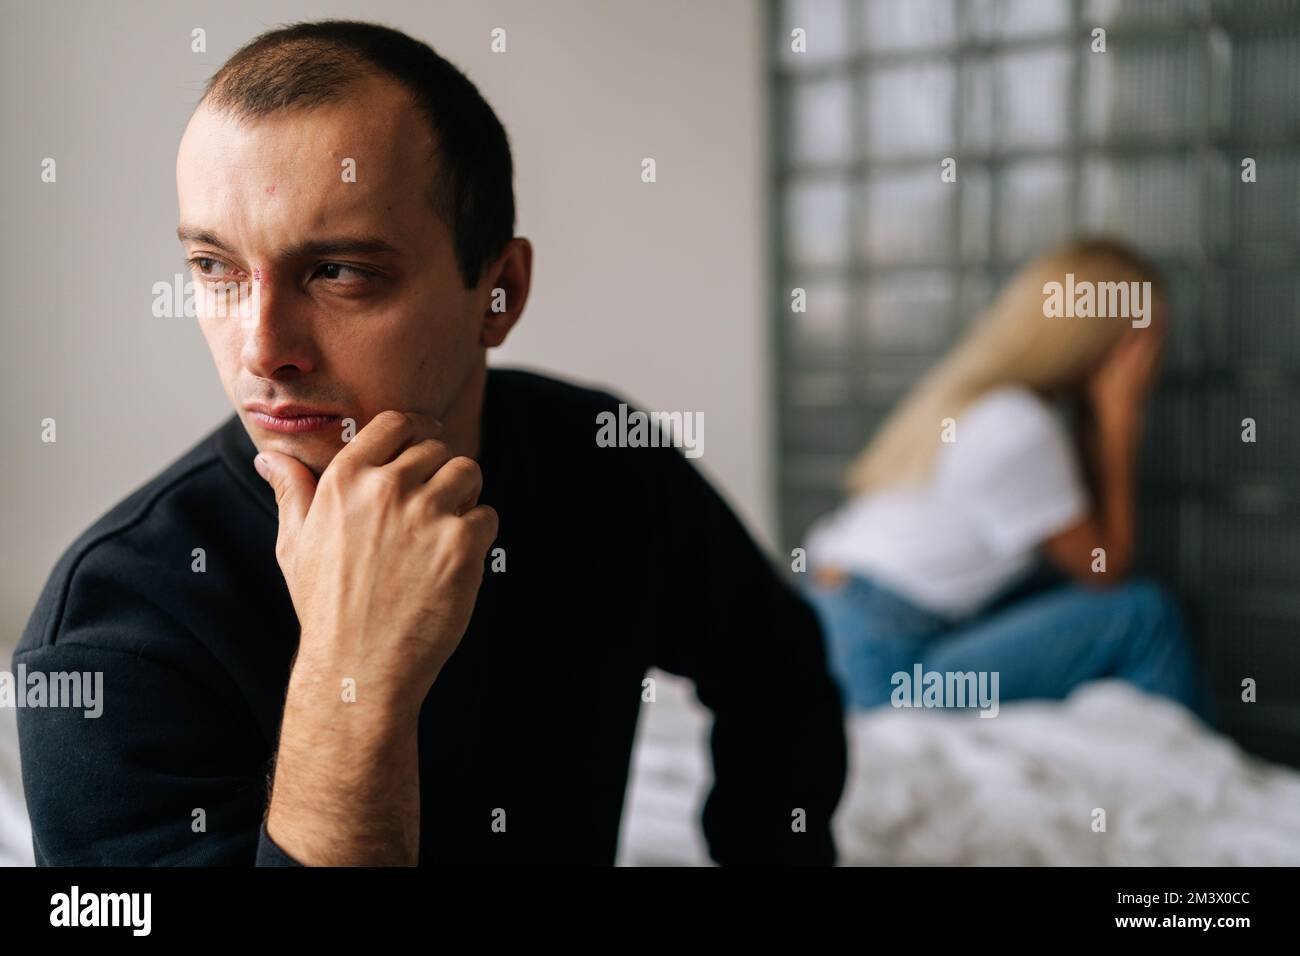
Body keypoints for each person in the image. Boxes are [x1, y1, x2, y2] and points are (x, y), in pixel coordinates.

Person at [13, 20, 847, 866]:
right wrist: (351, 677)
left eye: (339, 271)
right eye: (215, 266)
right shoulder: (111, 632)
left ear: (501, 293)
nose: (263, 349)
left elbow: (777, 664)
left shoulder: (603, 460)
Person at [802, 238, 1215, 725]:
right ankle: (1187, 780)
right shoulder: (1020, 427)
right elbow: (1107, 568)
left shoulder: (968, 400)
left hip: (823, 640)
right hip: (887, 673)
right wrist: (1119, 425)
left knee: (1048, 585)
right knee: (1145, 616)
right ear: (1109, 342)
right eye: (1147, 343)